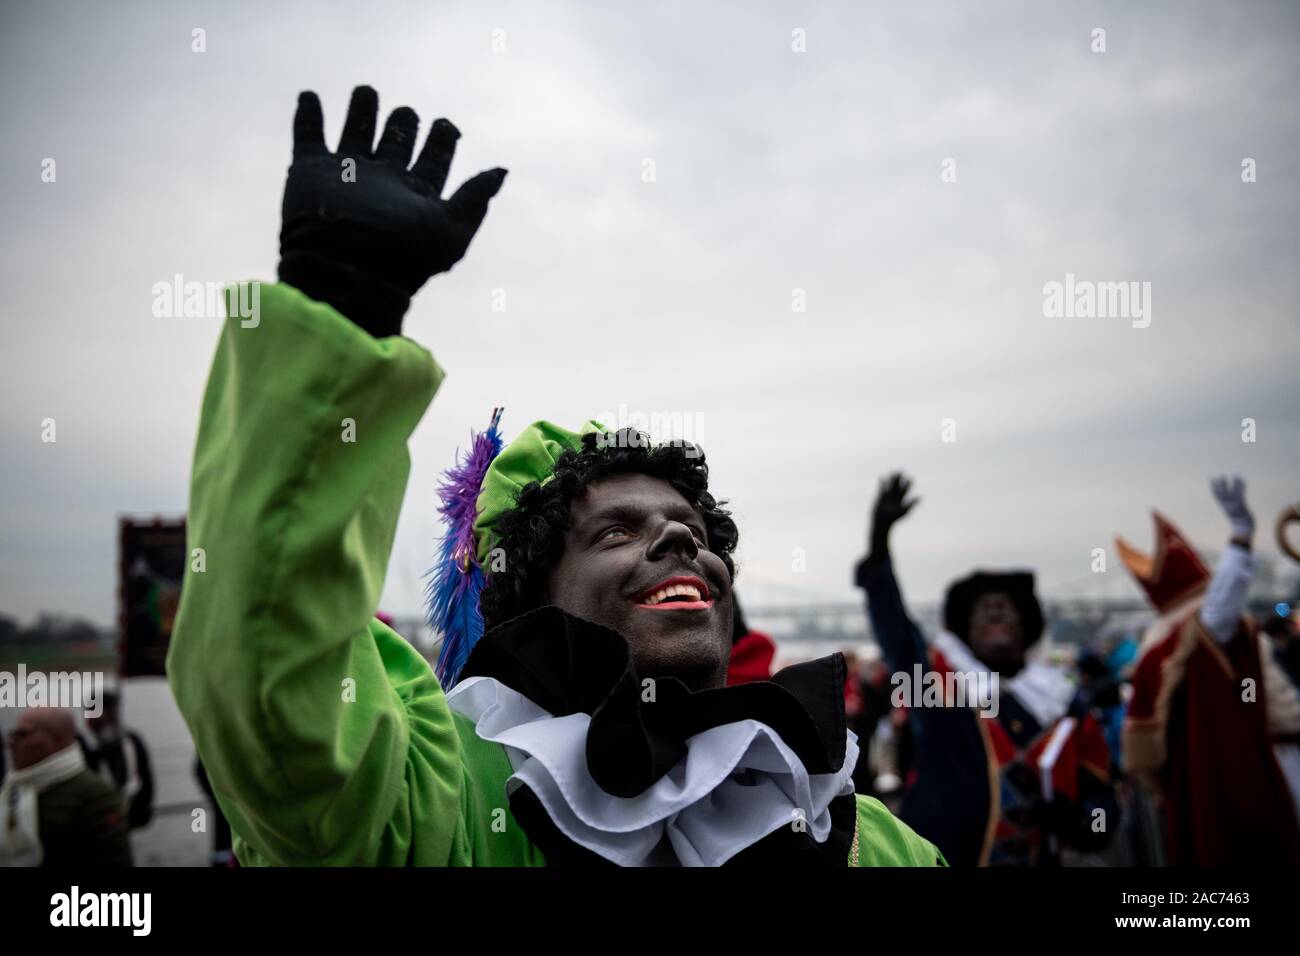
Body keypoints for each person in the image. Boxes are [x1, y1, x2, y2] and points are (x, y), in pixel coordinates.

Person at [166, 86, 944, 867]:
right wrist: (341, 310)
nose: (680, 536)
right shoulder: (444, 803)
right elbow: (271, 686)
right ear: (532, 599)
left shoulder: (863, 838)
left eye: (696, 531)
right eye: (615, 530)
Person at [854, 473, 1116, 866]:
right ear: (965, 630)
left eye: (1006, 607)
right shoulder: (940, 689)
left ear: (1027, 627)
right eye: (983, 608)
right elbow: (897, 633)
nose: (996, 609)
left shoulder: (1065, 704)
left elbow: (1102, 798)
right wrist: (879, 543)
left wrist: (1082, 820)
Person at [1119, 476, 1300, 863]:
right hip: (1253, 765)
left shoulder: (1162, 646)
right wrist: (1239, 540)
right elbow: (1221, 606)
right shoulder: (1195, 632)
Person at [0, 707, 133, 866]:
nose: (12, 742)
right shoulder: (14, 787)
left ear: (56, 738)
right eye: (12, 734)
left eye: (22, 734)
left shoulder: (93, 794)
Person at [80, 689, 155, 830]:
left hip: (128, 814)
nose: (112, 716)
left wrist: (143, 807)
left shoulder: (131, 740)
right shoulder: (81, 744)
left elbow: (145, 775)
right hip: (93, 819)